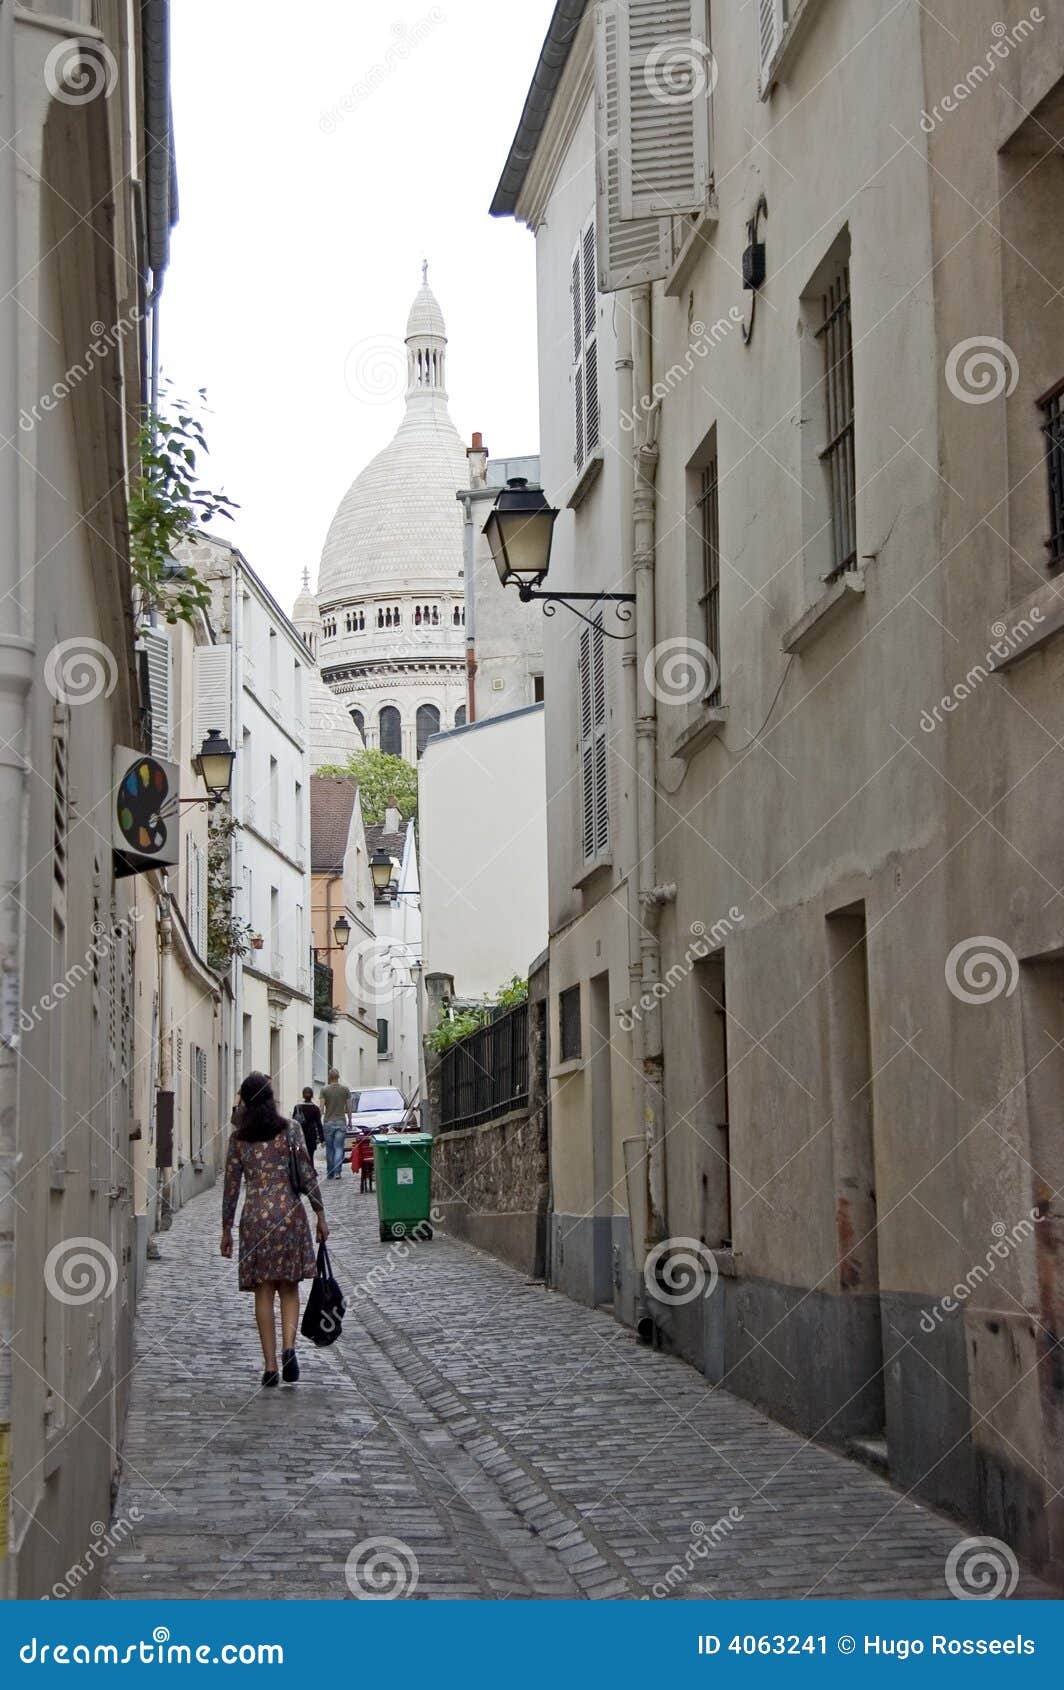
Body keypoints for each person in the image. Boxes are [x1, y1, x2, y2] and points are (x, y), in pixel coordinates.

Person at [220, 1072, 328, 1388]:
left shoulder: (239, 1138)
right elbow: (307, 1174)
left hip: (255, 1217)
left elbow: (230, 1186)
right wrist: (320, 1214)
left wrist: (226, 1228)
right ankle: (289, 1348)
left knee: (264, 1291)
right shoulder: (290, 1131)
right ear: (271, 1098)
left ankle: (269, 1366)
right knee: (289, 1288)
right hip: (289, 1214)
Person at [320, 1068, 351, 1181]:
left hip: (328, 1121)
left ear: (329, 1077)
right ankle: (338, 1172)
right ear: (338, 1077)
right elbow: (348, 1107)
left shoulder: (324, 1090)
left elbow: (321, 1107)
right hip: (341, 1121)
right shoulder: (345, 1090)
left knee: (330, 1148)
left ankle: (330, 1172)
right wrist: (350, 1120)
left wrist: (320, 1121)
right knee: (339, 1147)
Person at [291, 1087, 323, 1164]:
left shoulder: (297, 1107)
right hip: (311, 1135)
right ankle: (311, 1171)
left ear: (303, 1095)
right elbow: (318, 1124)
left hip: (300, 1134)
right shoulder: (315, 1108)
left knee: (301, 1154)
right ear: (312, 1096)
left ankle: (301, 1172)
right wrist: (322, 1138)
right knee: (310, 1155)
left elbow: (293, 1122)